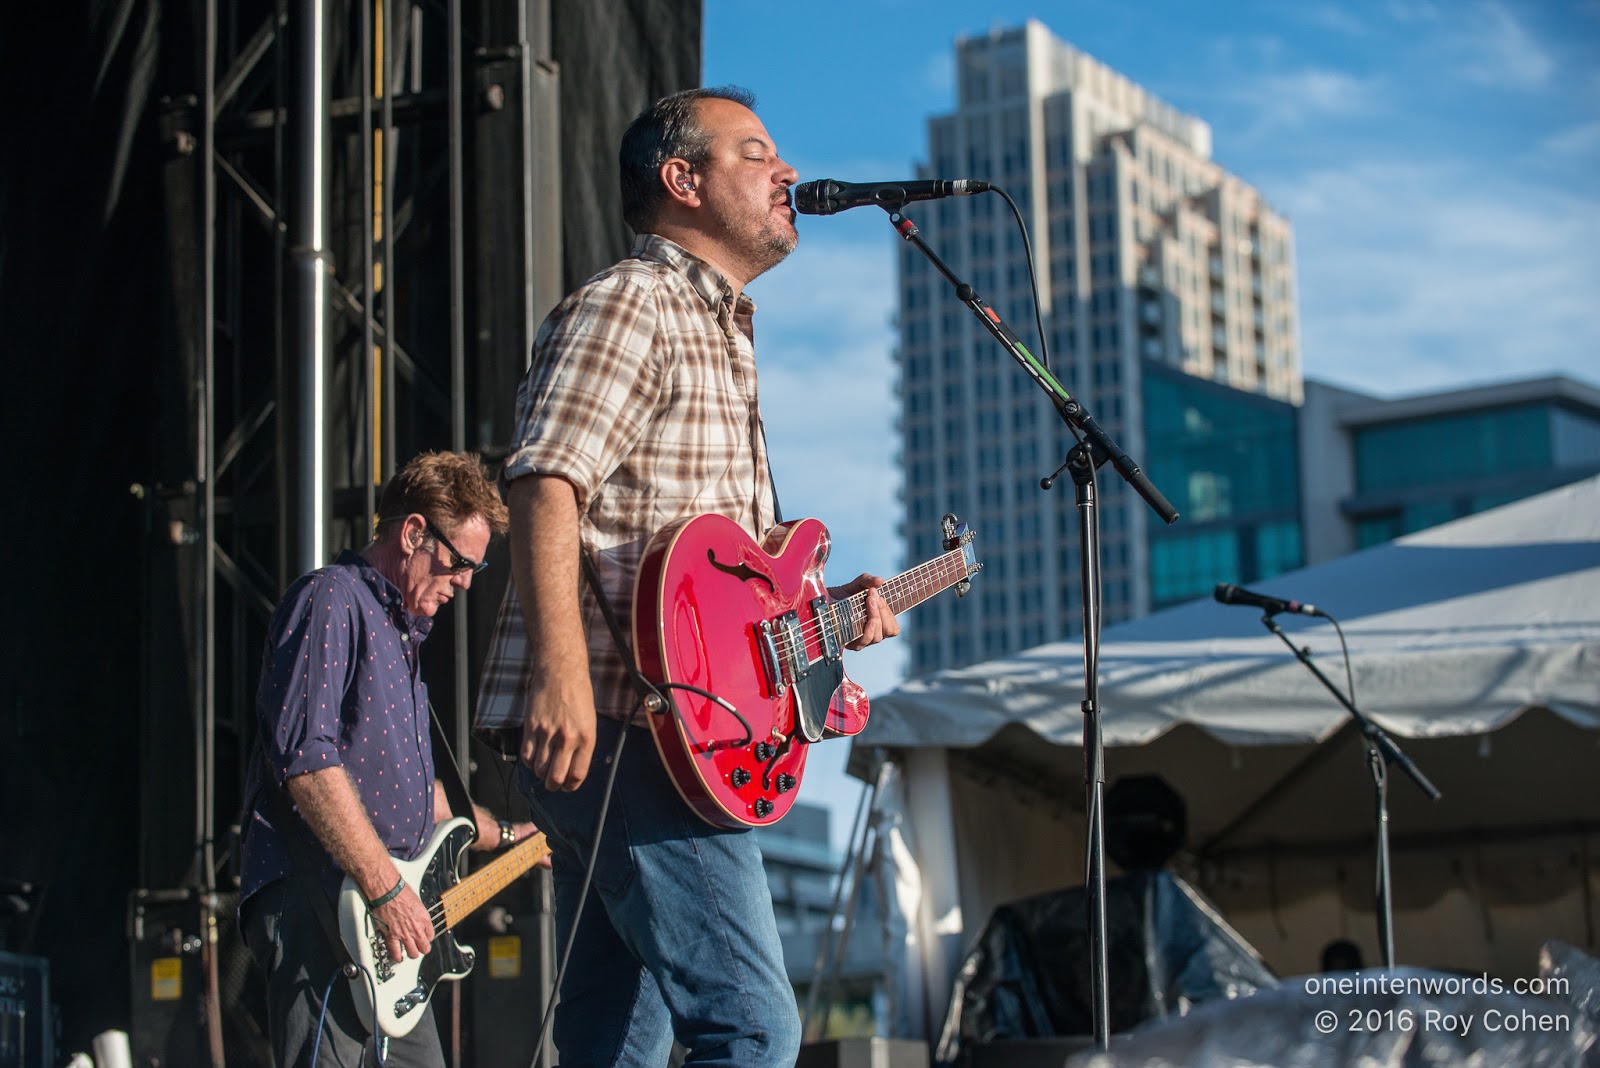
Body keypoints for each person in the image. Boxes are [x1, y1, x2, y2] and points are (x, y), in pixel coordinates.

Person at [476, 86, 900, 1066]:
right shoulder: (637, 303)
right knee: (752, 1028)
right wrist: (561, 674)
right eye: (756, 153)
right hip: (633, 726)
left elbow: (743, 601)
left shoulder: (721, 336)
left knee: (618, 1038)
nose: (787, 172)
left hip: (673, 732)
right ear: (682, 181)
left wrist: (826, 635)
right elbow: (547, 479)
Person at [239, 450, 543, 1068]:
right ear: (412, 534)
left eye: (475, 571)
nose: (465, 582)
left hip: (386, 925)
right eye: (461, 563)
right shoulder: (332, 599)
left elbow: (425, 797)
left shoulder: (401, 639)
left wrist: (512, 836)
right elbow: (307, 760)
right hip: (325, 907)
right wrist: (383, 889)